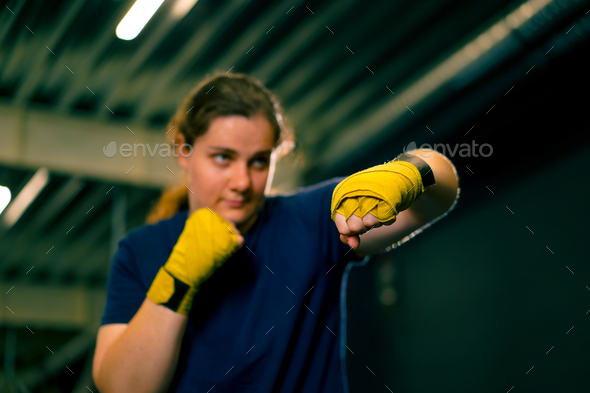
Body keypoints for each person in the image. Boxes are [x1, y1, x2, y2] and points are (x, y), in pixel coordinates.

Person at [92, 72, 460, 393]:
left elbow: (438, 191)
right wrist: (178, 278)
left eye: (258, 162)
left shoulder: (311, 219)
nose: (241, 182)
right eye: (222, 157)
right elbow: (122, 387)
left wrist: (412, 173)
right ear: (184, 151)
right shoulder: (140, 250)